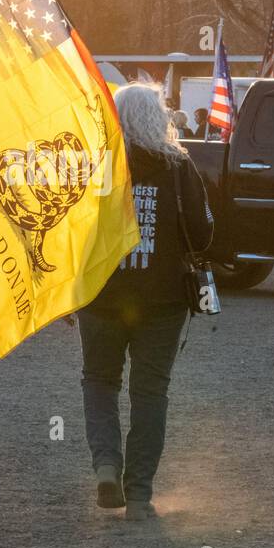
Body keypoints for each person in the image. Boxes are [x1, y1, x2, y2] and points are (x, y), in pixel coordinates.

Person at [77, 83, 213, 520]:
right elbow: (204, 232)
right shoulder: (178, 166)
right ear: (161, 116)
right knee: (150, 393)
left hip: (101, 297)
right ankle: (138, 495)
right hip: (163, 300)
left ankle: (106, 465)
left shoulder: (97, 165)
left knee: (99, 382)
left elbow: (73, 234)